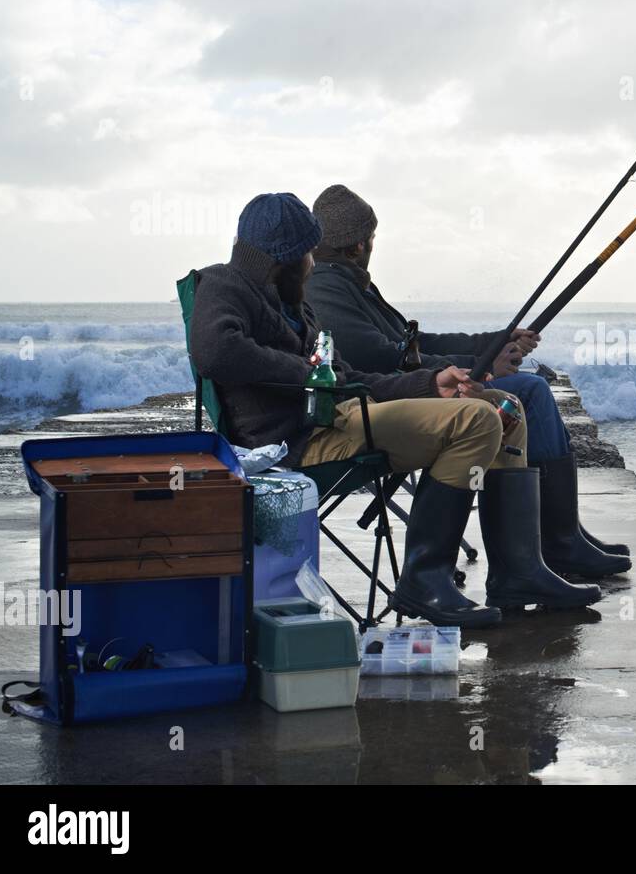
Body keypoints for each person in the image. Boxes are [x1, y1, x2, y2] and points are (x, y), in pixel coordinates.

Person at [189, 192, 599, 628]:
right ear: (285, 261)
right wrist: (310, 376)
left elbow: (348, 377)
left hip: (345, 418)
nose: (314, 263)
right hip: (298, 445)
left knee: (503, 407)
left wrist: (429, 382)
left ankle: (518, 573)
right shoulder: (223, 285)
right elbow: (215, 351)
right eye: (309, 254)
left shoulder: (298, 307)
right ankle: (424, 582)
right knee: (477, 420)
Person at [304, 183, 631, 579]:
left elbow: (414, 344)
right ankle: (552, 545)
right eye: (371, 238)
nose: (373, 245)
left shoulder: (350, 283)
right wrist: (482, 364)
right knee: (529, 391)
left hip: (407, 393)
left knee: (531, 390)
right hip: (400, 400)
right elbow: (383, 356)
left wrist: (495, 343)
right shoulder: (326, 288)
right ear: (357, 244)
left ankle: (559, 537)